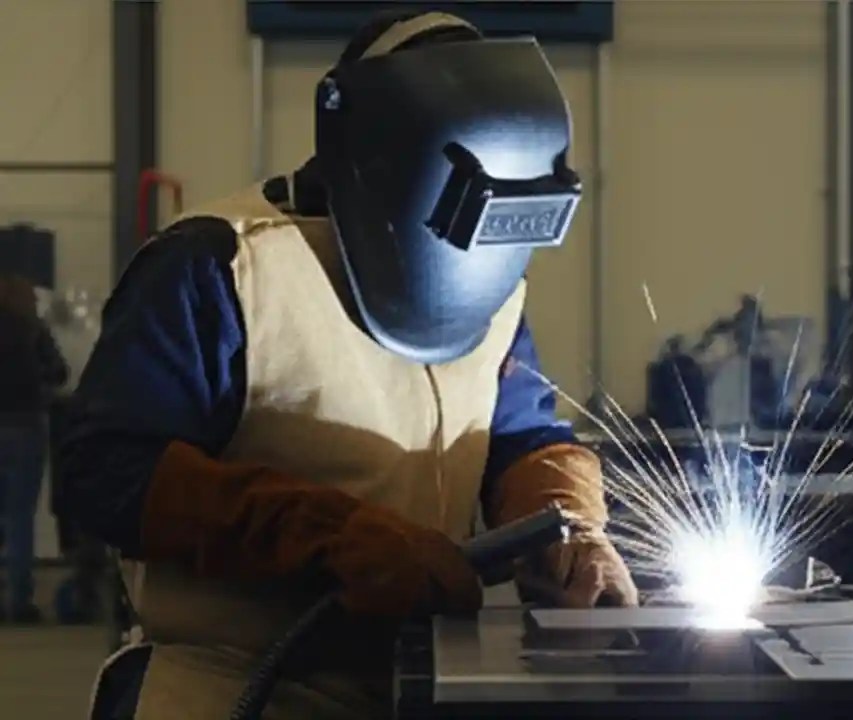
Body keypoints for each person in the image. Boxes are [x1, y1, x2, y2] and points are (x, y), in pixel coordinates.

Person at [59, 11, 636, 719]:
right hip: (231, 689)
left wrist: (570, 526)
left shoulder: (485, 287)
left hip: (415, 688)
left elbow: (516, 433)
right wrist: (328, 536)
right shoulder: (222, 268)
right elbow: (103, 469)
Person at [0, 272, 68, 624]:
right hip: (25, 427)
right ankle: (19, 603)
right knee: (19, 519)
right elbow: (60, 372)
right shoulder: (32, 329)